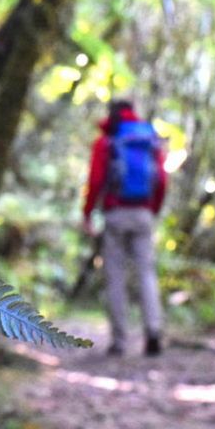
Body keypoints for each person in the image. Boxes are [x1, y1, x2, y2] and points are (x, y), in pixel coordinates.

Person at [82, 99, 168, 357]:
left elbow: (96, 180)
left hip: (116, 213)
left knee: (115, 277)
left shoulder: (106, 141)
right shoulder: (147, 139)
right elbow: (162, 179)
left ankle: (119, 341)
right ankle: (153, 330)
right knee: (146, 275)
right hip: (143, 212)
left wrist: (88, 213)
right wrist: (152, 209)